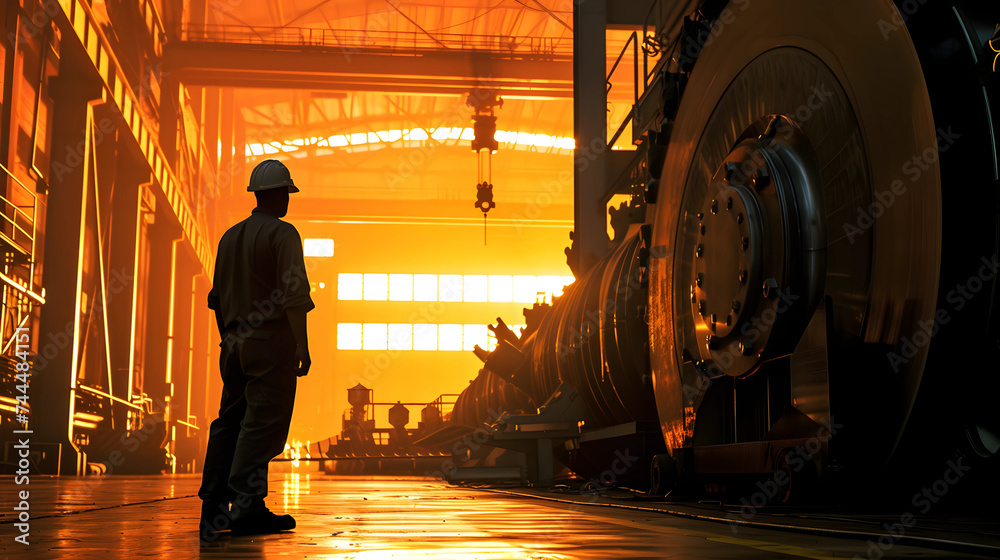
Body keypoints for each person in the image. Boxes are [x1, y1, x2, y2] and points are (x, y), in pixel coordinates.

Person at [198, 159, 314, 540]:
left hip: (232, 343)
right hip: (269, 343)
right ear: (280, 194)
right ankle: (247, 505)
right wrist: (302, 345)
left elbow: (217, 299)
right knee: (262, 424)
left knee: (229, 422)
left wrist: (229, 339)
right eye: (287, 194)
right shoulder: (283, 235)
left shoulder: (229, 237)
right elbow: (294, 297)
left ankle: (213, 507)